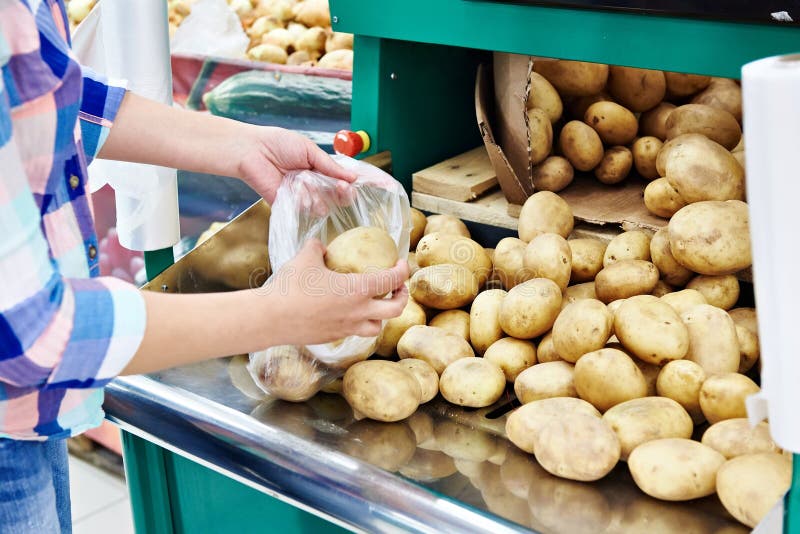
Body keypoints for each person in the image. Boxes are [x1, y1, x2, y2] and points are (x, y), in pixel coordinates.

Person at [0, 1, 409, 532]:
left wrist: (245, 144)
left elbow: (60, 100)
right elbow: (30, 335)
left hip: (26, 414)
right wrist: (277, 314)